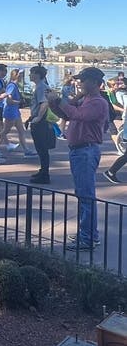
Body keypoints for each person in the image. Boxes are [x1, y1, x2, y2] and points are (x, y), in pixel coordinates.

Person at [48, 67, 109, 249]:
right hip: (79, 151)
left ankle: (88, 238)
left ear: (93, 82)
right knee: (83, 194)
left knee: (86, 195)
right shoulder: (85, 99)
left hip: (86, 151)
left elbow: (79, 115)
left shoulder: (98, 102)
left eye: (83, 80)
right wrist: (54, 103)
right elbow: (66, 114)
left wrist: (60, 100)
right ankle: (88, 233)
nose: (79, 83)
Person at [0, 69, 37, 157]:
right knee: (5, 131)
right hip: (10, 112)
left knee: (21, 131)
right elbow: (8, 100)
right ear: (17, 75)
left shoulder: (14, 85)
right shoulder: (12, 86)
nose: (22, 76)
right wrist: (19, 102)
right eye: (21, 75)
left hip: (15, 111)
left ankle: (26, 150)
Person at [27, 65, 52, 184]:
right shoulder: (40, 86)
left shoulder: (41, 87)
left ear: (37, 75)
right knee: (40, 148)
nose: (29, 75)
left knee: (42, 148)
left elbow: (44, 103)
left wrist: (38, 117)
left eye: (31, 73)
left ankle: (45, 174)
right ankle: (43, 170)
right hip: (38, 119)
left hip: (40, 122)